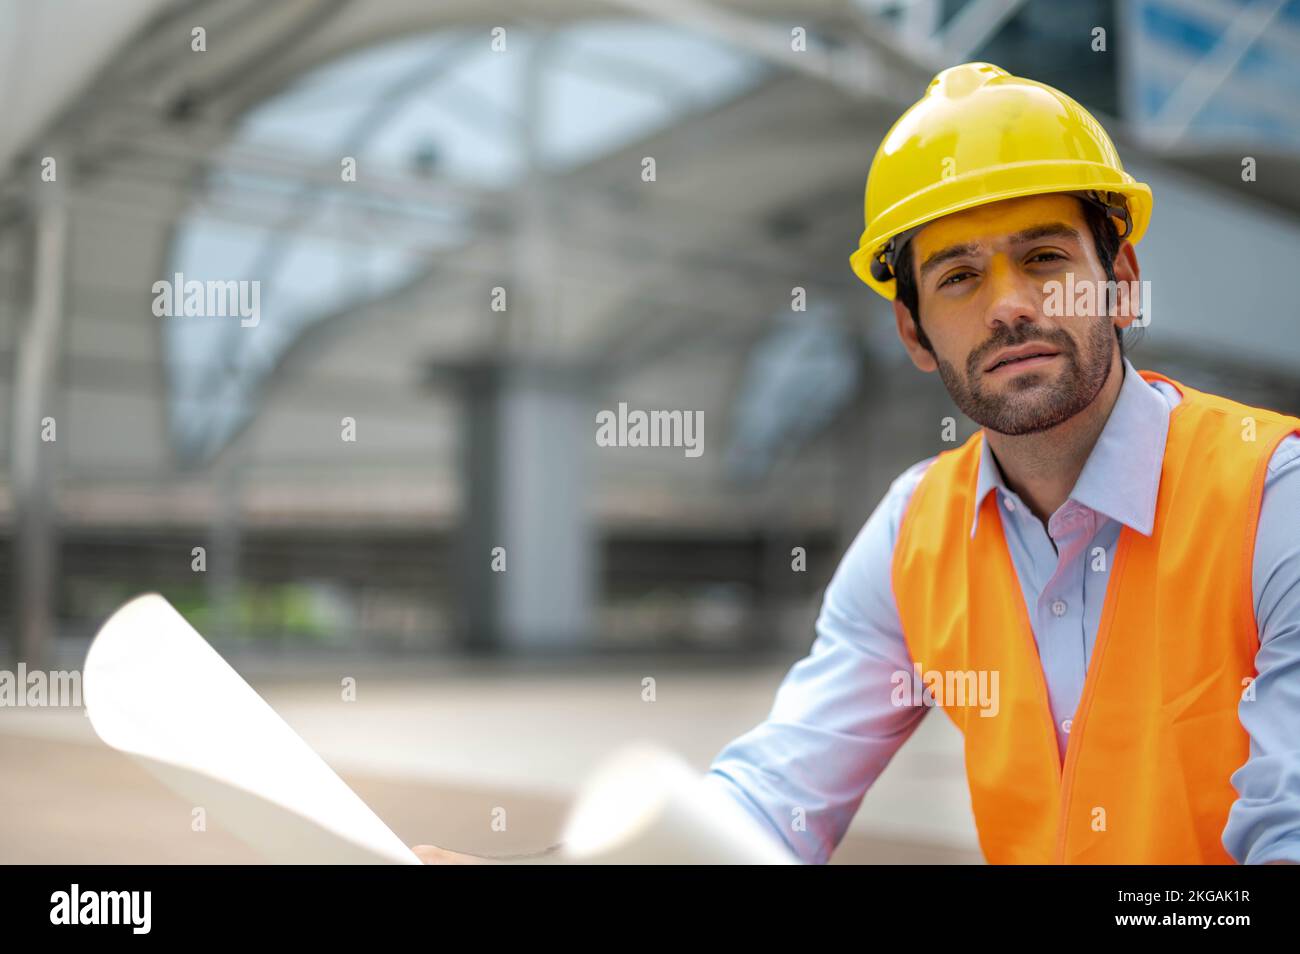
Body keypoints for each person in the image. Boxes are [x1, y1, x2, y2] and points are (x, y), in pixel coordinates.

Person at [703, 62, 1300, 865]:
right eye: (958, 277)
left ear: (1120, 284)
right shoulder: (913, 534)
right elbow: (776, 793)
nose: (1010, 304)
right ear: (915, 335)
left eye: (1045, 259)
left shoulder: (1272, 497)